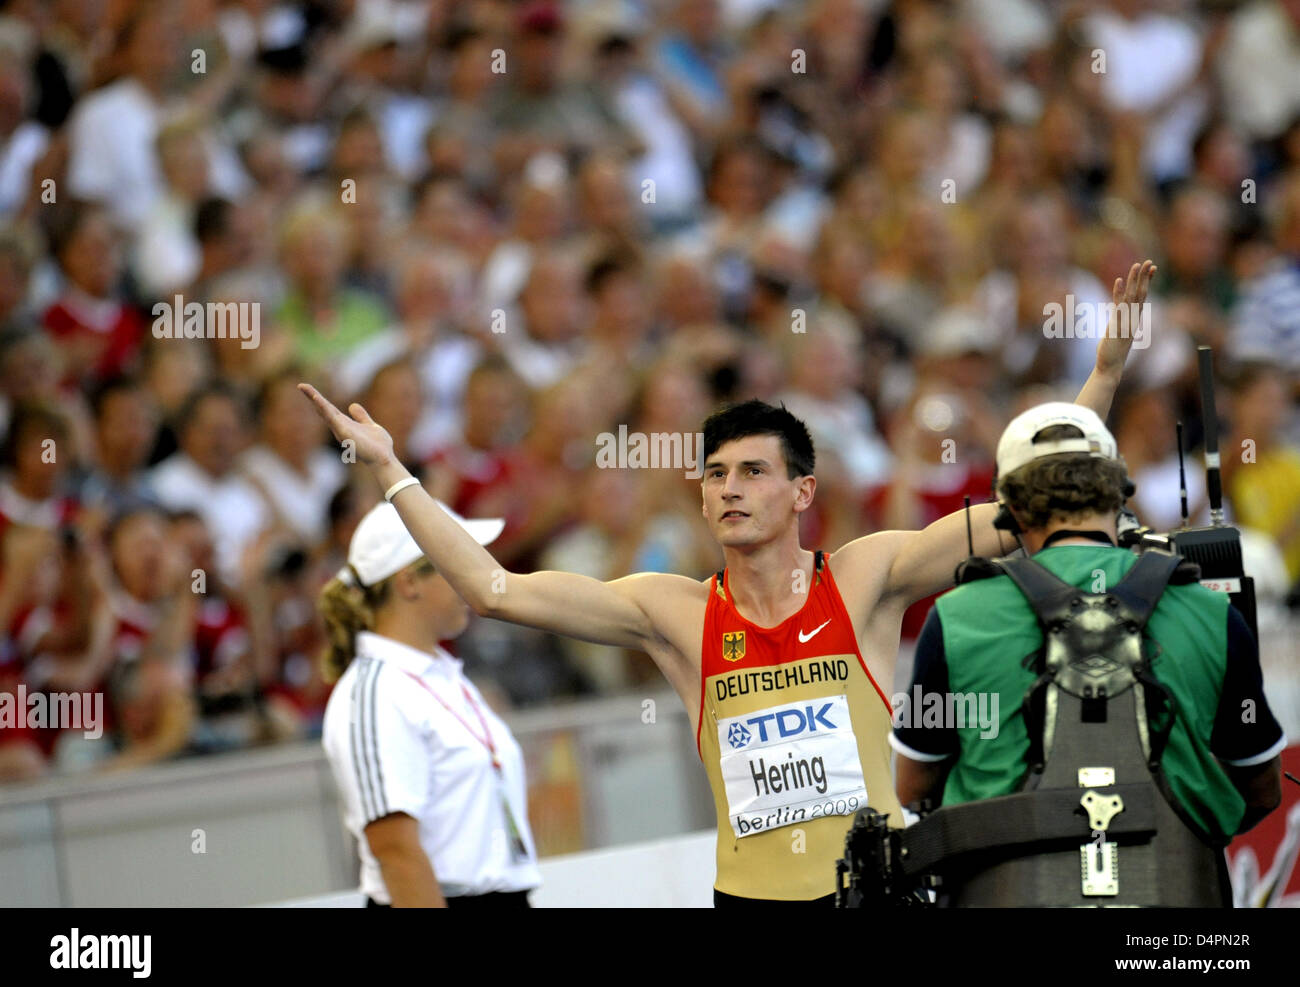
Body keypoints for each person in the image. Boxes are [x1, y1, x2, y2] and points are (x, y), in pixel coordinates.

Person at [301, 262, 1159, 905]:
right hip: (747, 902)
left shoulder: (865, 576)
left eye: (752, 471)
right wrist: (393, 474)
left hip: (875, 894)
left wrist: (1105, 378)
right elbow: (494, 589)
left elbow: (1032, 506)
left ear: (802, 492)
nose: (729, 489)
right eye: (714, 475)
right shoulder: (670, 609)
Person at [891, 402, 1286, 905]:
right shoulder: (1208, 611)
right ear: (1119, 492)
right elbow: (1262, 788)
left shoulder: (956, 616)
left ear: (1009, 510)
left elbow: (914, 787)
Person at [319, 499, 542, 908]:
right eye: (454, 562)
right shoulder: (375, 692)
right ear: (408, 582)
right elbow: (397, 853)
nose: (473, 577)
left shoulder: (441, 675)